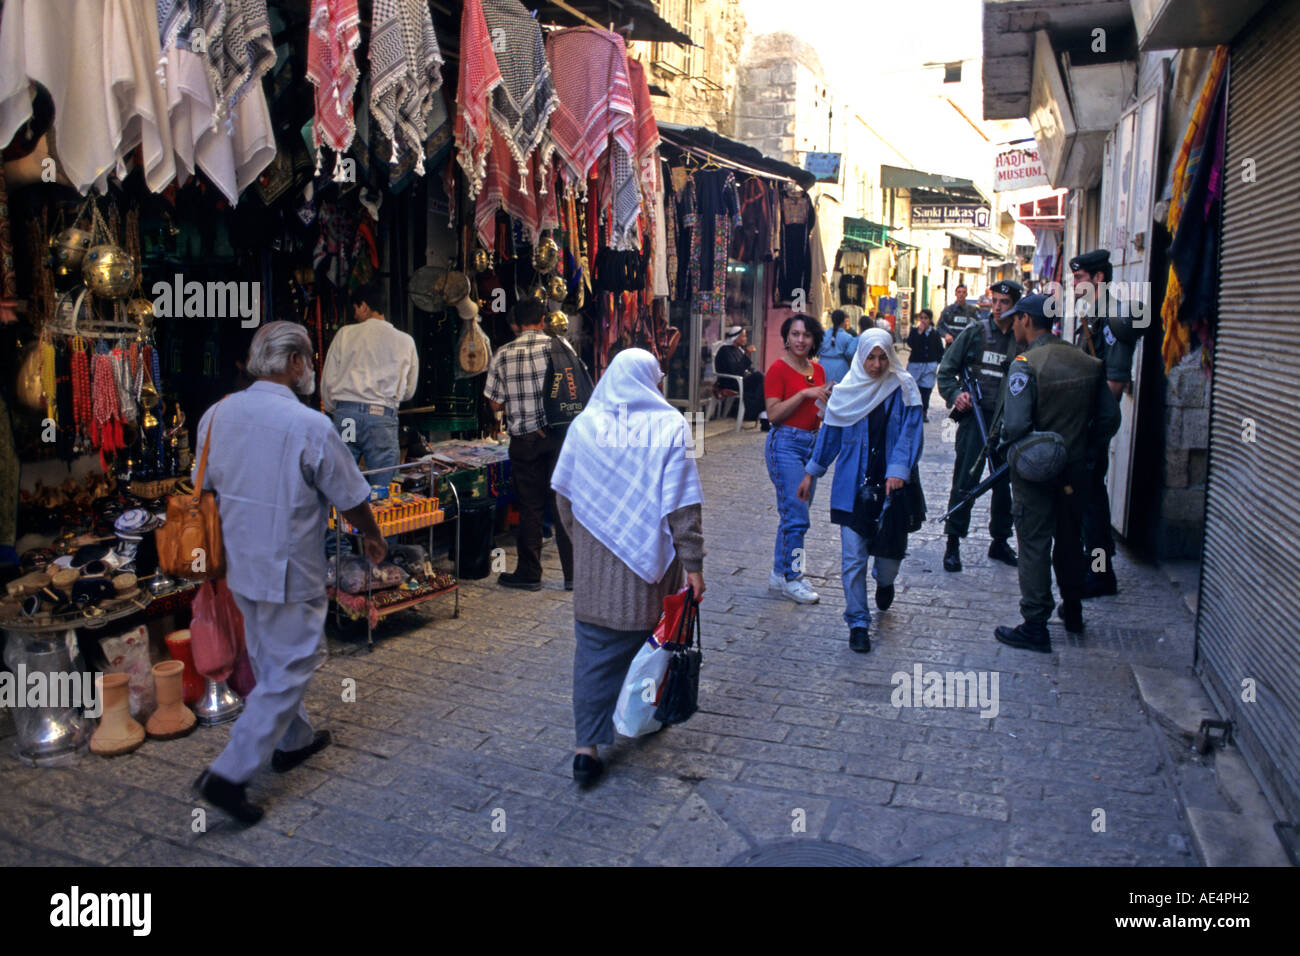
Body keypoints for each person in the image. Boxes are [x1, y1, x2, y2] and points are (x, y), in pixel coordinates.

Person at [193, 322, 387, 824]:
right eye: (308, 362)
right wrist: (373, 535)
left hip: (240, 563)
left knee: (266, 655)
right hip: (288, 568)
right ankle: (229, 773)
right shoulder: (310, 425)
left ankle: (295, 739)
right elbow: (352, 497)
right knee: (293, 663)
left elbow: (206, 487)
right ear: (296, 364)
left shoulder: (215, 417)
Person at [552, 349, 705, 789]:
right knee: (650, 653)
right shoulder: (670, 426)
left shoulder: (584, 427)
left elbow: (565, 499)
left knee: (594, 660)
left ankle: (587, 749)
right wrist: (693, 566)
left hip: (596, 580)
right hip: (651, 580)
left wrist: (588, 544)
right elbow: (683, 507)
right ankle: (642, 720)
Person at [994, 294, 1120, 652]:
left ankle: (1035, 623)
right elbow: (1111, 419)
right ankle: (1074, 609)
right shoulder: (1088, 362)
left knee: (1034, 543)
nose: (1013, 325)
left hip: (1035, 475)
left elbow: (1016, 425)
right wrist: (1082, 449)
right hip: (1076, 472)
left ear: (1028, 321)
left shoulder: (1025, 363)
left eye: (1017, 319)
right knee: (1069, 540)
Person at [797, 330, 923, 652]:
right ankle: (857, 622)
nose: (877, 364)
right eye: (871, 357)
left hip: (892, 491)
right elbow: (831, 436)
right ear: (860, 356)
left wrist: (898, 471)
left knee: (888, 559)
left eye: (883, 357)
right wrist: (812, 473)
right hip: (852, 488)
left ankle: (885, 582)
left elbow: (910, 435)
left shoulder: (903, 387)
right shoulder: (846, 392)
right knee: (853, 559)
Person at [484, 300, 575, 591]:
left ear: (515, 324)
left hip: (524, 441)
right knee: (563, 506)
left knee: (530, 507)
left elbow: (495, 402)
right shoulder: (561, 347)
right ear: (543, 320)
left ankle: (529, 572)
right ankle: (573, 575)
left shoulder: (503, 353)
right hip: (558, 438)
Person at [936, 279, 1024, 572]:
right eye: (995, 301)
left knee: (1003, 486)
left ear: (1015, 306)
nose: (998, 308)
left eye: (1005, 303)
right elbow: (947, 370)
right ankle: (953, 542)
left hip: (1007, 424)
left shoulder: (1021, 339)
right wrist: (955, 395)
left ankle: (999, 540)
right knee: (965, 480)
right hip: (976, 419)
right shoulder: (975, 332)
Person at [1069, 249, 1139, 598]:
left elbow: (1115, 383)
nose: (1074, 284)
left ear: (1099, 279)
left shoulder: (1114, 319)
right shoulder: (1093, 314)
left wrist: (1087, 424)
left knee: (1093, 498)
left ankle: (1101, 572)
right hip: (1085, 419)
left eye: (1080, 278)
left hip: (1095, 422)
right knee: (1085, 496)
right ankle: (1092, 563)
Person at [320, 283, 419, 488]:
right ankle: (377, 518)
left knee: (342, 482)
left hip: (348, 419)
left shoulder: (344, 334)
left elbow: (328, 382)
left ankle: (341, 520)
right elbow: (409, 391)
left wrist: (338, 409)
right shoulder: (405, 341)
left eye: (355, 309)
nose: (355, 315)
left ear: (364, 306)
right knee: (382, 489)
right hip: (380, 420)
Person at [764, 313, 828, 604]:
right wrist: (804, 394)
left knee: (793, 515)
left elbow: (819, 410)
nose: (801, 340)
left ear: (814, 339)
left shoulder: (819, 371)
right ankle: (794, 577)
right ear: (786, 338)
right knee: (797, 517)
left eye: (806, 335)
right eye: (795, 334)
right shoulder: (777, 369)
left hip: (811, 445)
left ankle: (780, 573)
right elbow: (774, 415)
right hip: (786, 444)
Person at [713, 325, 765, 420]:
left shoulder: (738, 349)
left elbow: (745, 368)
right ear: (736, 338)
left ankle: (757, 411)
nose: (745, 339)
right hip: (731, 382)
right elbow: (735, 371)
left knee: (763, 379)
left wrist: (750, 371)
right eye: (743, 336)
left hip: (741, 380)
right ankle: (755, 411)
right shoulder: (725, 351)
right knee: (760, 377)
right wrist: (747, 354)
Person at [905, 308, 944, 419]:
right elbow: (911, 344)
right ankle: (912, 410)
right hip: (915, 364)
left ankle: (924, 410)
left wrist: (936, 362)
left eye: (926, 318)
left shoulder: (935, 333)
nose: (923, 321)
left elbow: (940, 349)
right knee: (913, 388)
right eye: (921, 318)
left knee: (926, 389)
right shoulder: (914, 331)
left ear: (930, 319)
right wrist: (919, 333)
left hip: (929, 365)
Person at [817, 309, 858, 384]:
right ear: (843, 321)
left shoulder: (822, 335)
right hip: (841, 369)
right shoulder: (848, 337)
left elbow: (817, 352)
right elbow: (850, 354)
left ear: (832, 320)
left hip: (822, 367)